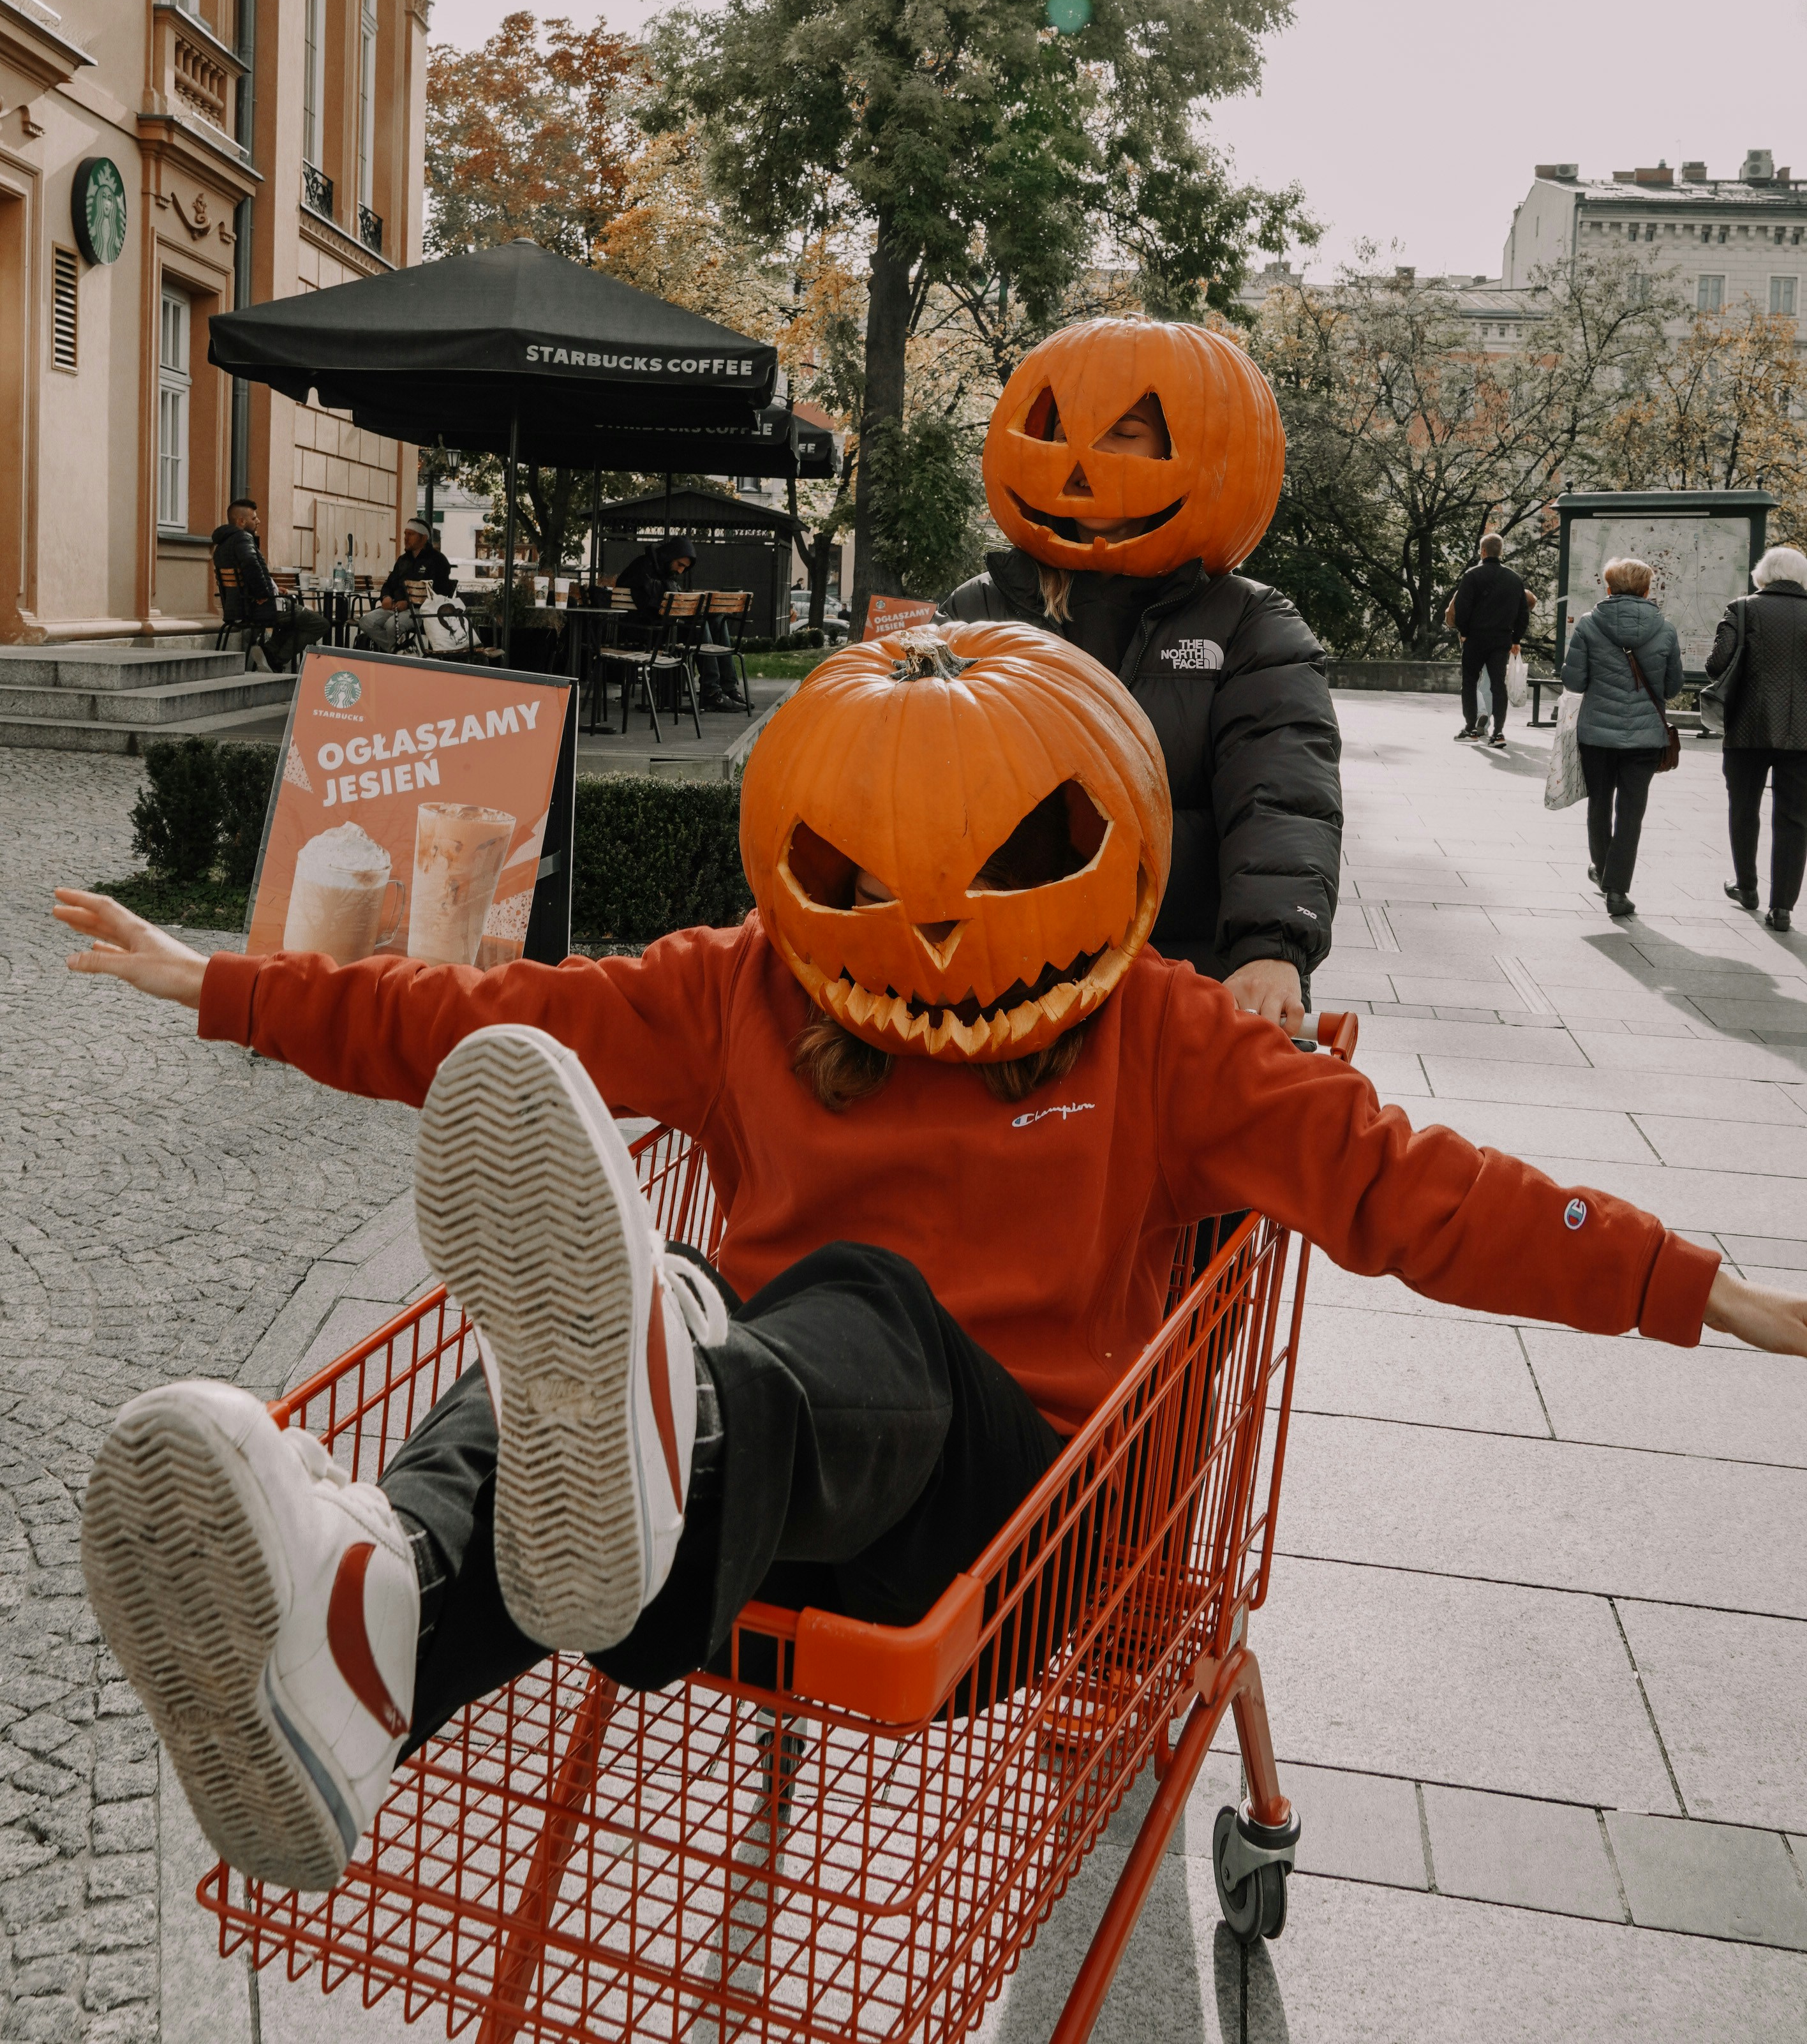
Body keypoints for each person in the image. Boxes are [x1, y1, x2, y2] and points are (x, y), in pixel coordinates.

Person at [56, 622, 1804, 1902]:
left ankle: (669, 1429)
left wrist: (1696, 1285)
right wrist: (220, 984)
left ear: (1105, 845)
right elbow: (481, 1012)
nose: (936, 931)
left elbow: (1414, 1190)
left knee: (823, 1305)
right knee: (578, 1338)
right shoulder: (742, 985)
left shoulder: (1170, 1042)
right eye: (861, 875)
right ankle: (382, 1627)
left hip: (1010, 1548)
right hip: (729, 1516)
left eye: (1012, 864)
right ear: (797, 860)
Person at [943, 332, 1340, 1036]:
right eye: (1060, 429)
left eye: (1123, 434)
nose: (1080, 456)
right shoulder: (979, 610)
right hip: (1003, 971)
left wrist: (1273, 949)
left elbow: (1280, 794)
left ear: (1187, 451)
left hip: (1174, 979)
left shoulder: (1248, 623)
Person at [1560, 556, 1682, 921]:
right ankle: (1617, 889)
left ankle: (1602, 869)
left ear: (1608, 588)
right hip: (1646, 738)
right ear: (1647, 590)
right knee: (1632, 811)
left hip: (1597, 734)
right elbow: (1673, 688)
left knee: (1599, 802)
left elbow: (1574, 682)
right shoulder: (1665, 629)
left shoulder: (1588, 625)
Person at [1705, 542, 1807, 934]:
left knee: (1744, 807)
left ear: (1763, 575)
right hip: (1802, 732)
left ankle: (1746, 887)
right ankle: (1783, 908)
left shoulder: (1742, 608)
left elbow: (1717, 665)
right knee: (1795, 818)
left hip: (1748, 726)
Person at [617, 532, 737, 712]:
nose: (681, 571)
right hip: (645, 630)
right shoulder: (644, 567)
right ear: (670, 556)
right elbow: (651, 605)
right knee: (699, 625)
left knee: (718, 619)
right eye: (680, 565)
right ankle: (711, 692)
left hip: (662, 627)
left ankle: (728, 687)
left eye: (685, 567)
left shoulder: (661, 568)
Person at [210, 498, 327, 673]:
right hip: (260, 609)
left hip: (237, 609)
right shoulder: (243, 538)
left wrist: (272, 588)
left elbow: (246, 574)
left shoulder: (222, 545)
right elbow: (251, 564)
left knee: (295, 620)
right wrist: (264, 593)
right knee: (320, 624)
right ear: (241, 521)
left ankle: (270, 654)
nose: (258, 521)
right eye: (254, 518)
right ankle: (273, 657)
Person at [1448, 532, 1532, 749]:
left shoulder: (1472, 575)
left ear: (1483, 551)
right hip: (1501, 639)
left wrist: (1464, 631)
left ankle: (1470, 728)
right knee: (1498, 686)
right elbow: (1524, 613)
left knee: (1469, 683)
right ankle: (1499, 733)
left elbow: (1463, 608)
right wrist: (1516, 637)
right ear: (1501, 552)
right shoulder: (1514, 578)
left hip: (1476, 638)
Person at [357, 518, 458, 653]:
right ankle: (402, 650)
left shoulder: (437, 560)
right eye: (405, 534)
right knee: (366, 622)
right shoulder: (403, 560)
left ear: (423, 538)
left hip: (421, 610)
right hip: (395, 607)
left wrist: (410, 603)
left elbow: (439, 592)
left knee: (391, 625)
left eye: (410, 534)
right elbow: (389, 584)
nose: (405, 538)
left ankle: (397, 654)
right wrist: (386, 597)